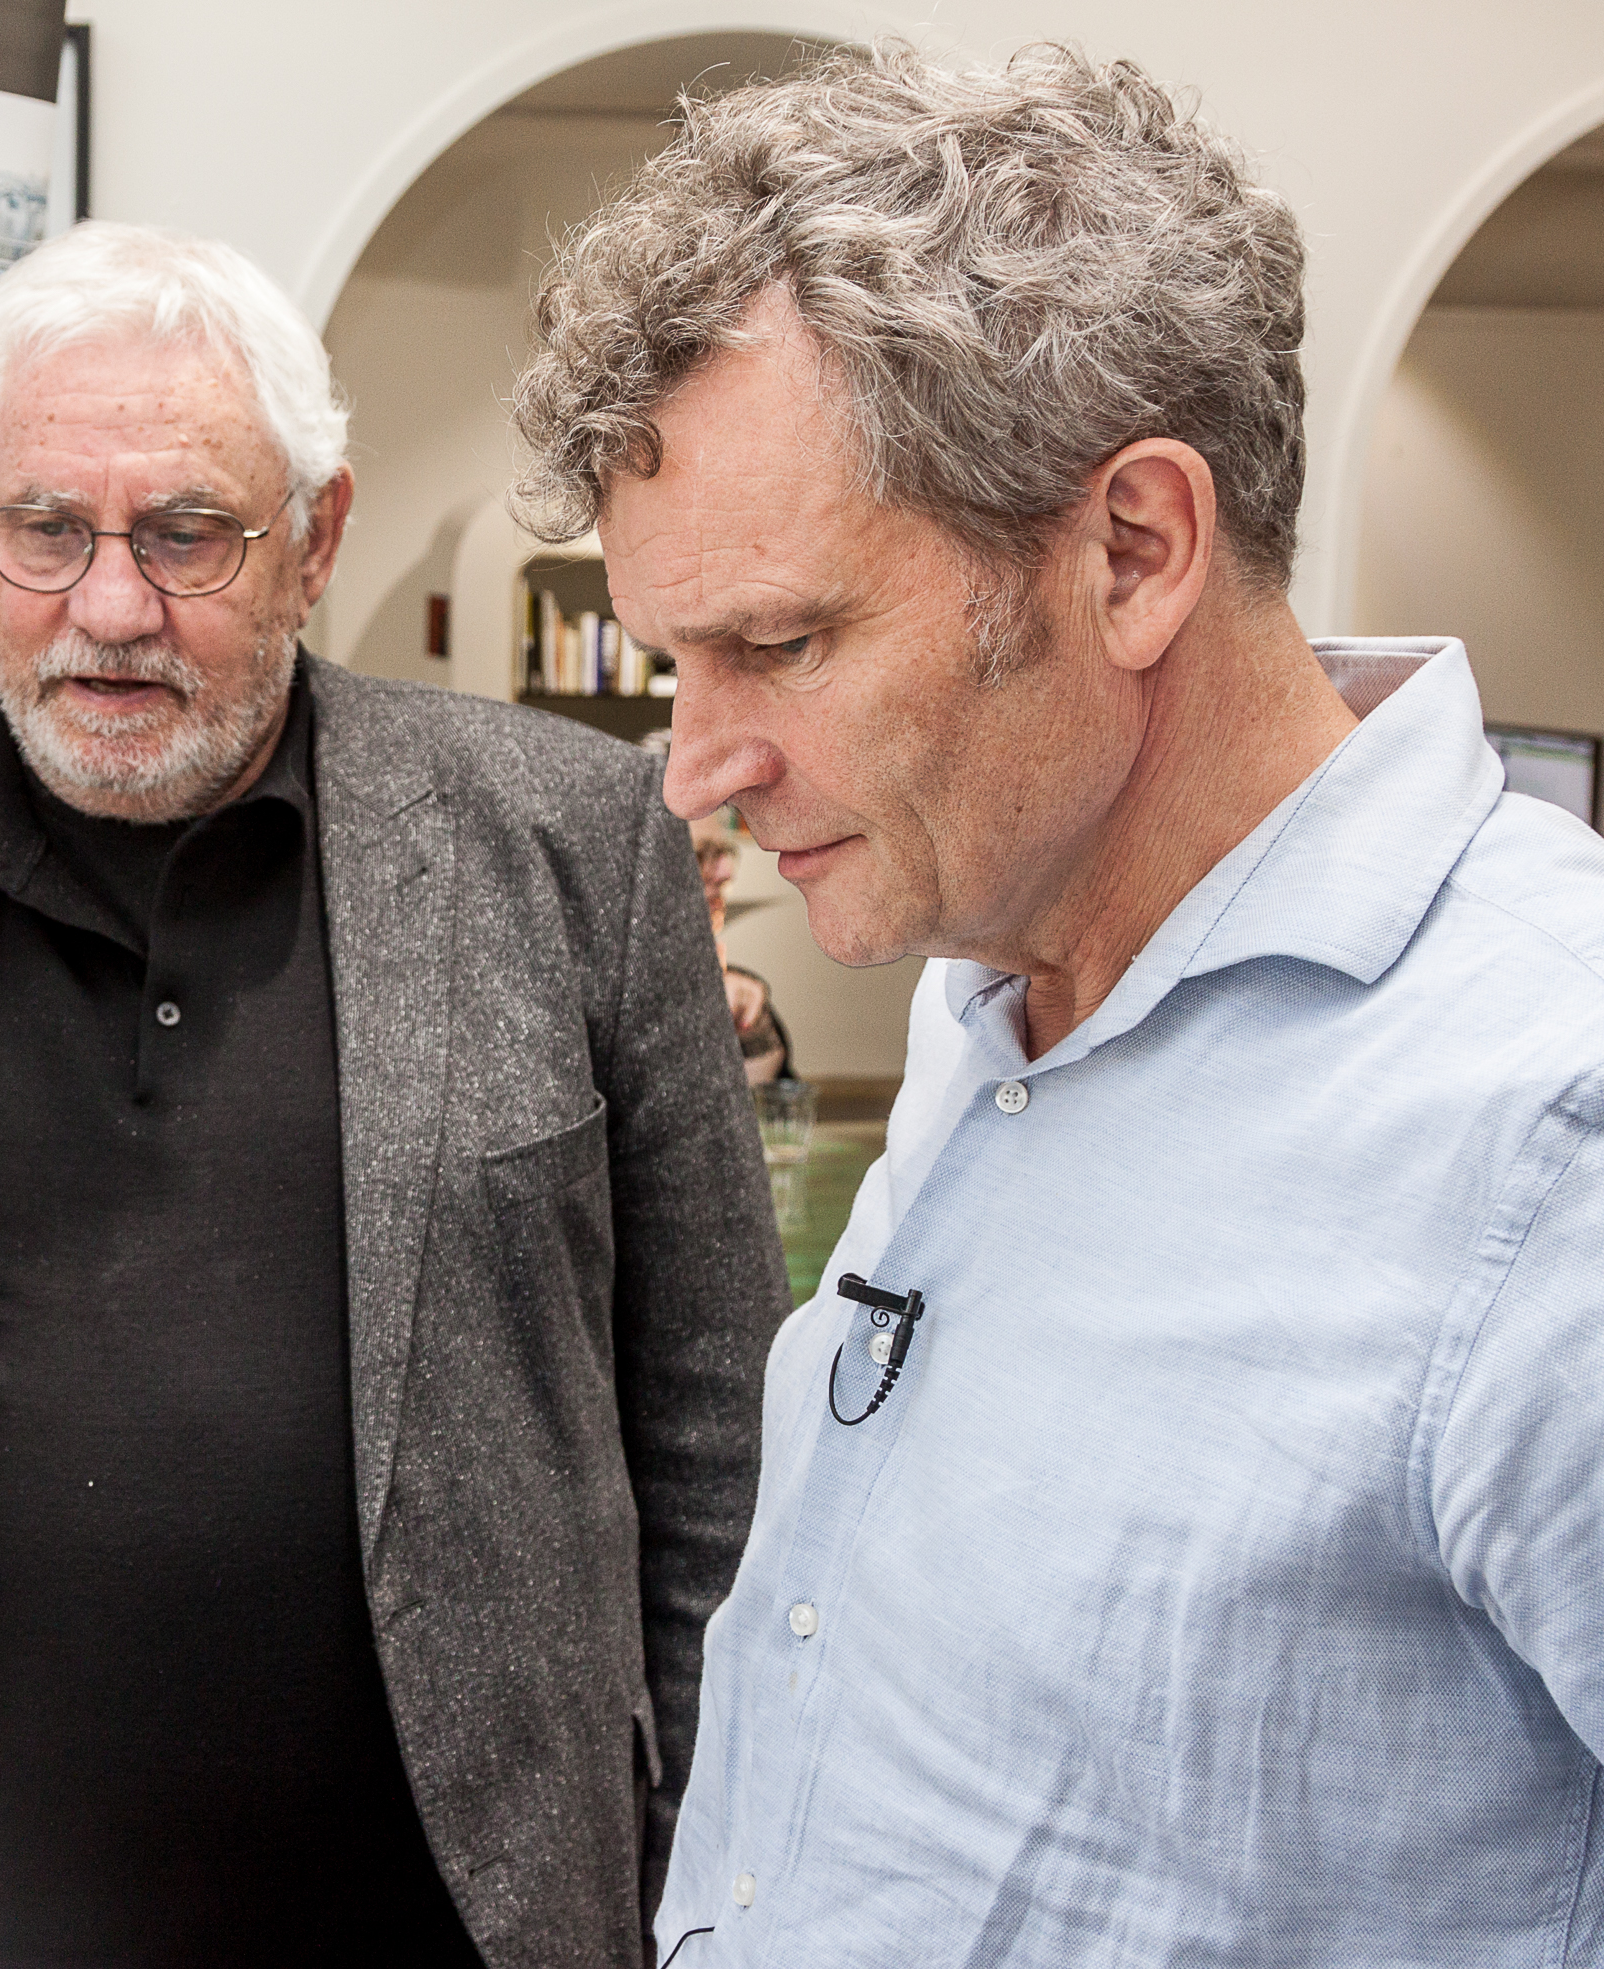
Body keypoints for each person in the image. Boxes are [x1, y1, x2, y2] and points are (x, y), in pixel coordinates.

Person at [0, 220, 789, 1967]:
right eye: (47, 528)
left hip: (464, 1918)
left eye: (185, 533)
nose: (111, 606)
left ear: (315, 538)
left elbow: (714, 1429)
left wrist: (710, 1892)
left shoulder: (569, 853)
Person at [512, 42, 1604, 1966]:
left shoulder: (1543, 1125)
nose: (694, 766)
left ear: (1132, 550)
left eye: (778, 643)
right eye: (674, 656)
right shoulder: (991, 979)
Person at [690, 823, 791, 1085]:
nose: (727, 872)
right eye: (702, 854)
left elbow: (766, 1103)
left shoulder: (738, 987)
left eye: (725, 851)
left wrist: (749, 1027)